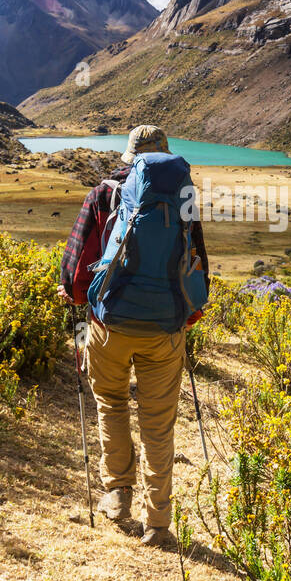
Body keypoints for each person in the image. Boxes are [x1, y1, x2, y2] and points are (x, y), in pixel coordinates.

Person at [57, 125, 208, 547]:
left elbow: (76, 263)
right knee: (159, 424)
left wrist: (72, 295)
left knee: (112, 402)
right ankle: (158, 524)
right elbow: (195, 260)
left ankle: (118, 495)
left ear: (129, 157)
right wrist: (186, 317)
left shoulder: (104, 193)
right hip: (165, 328)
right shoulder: (182, 194)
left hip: (109, 325)